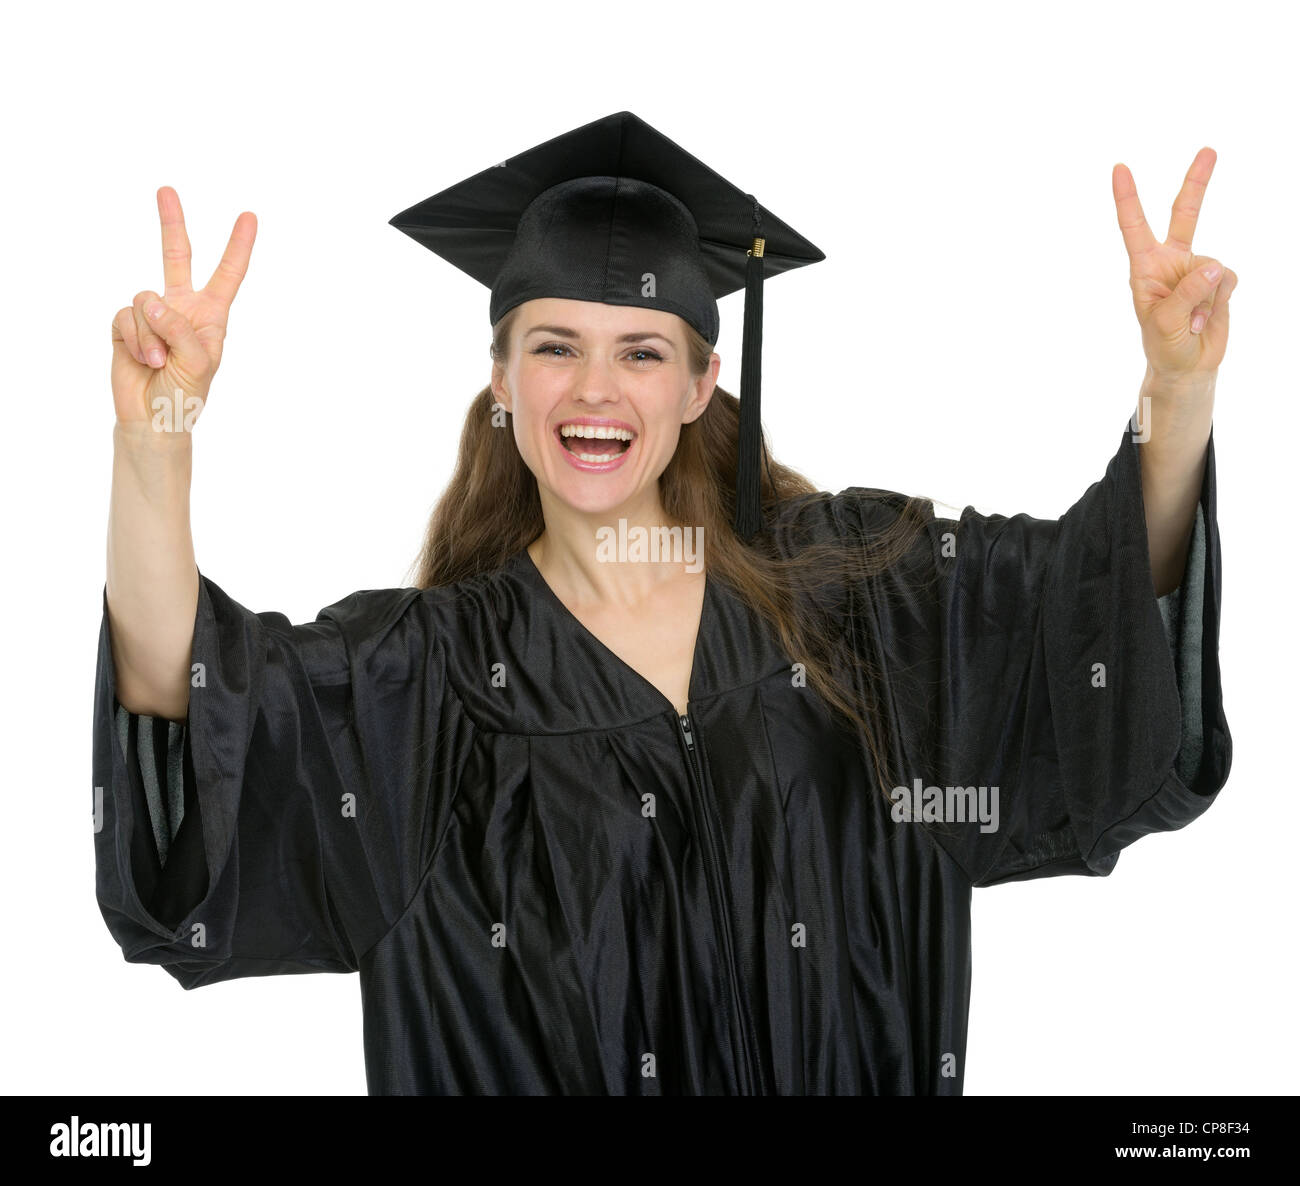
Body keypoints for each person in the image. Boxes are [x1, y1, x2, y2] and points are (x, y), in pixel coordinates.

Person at [95, 112, 1233, 1095]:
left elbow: (1101, 607)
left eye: (641, 352)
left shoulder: (860, 601)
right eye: (555, 347)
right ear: (502, 379)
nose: (595, 388)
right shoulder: (429, 683)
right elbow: (183, 689)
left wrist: (1174, 390)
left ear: (699, 385)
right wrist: (156, 440)